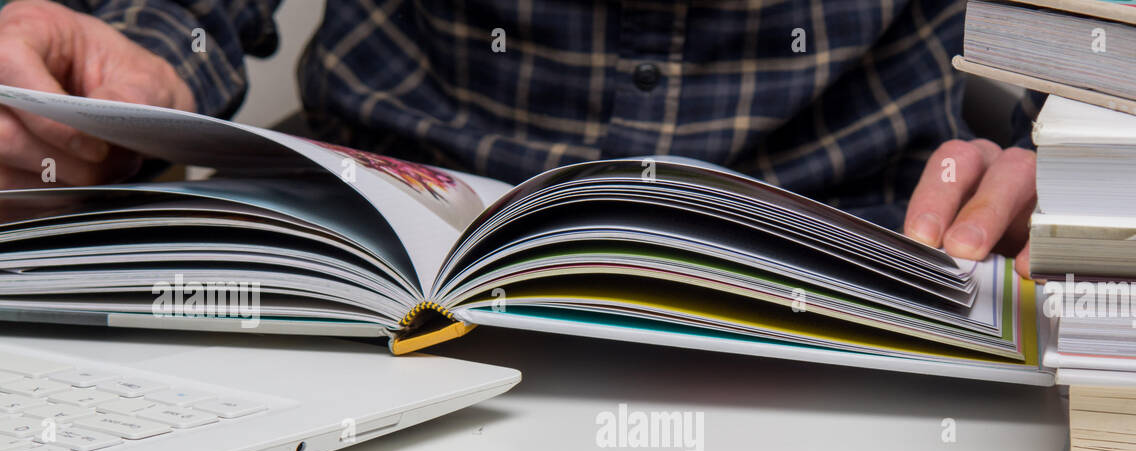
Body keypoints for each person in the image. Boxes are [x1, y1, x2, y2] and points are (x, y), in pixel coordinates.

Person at [0, 0, 1039, 273]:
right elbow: (174, 18)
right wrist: (115, 85)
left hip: (870, 261)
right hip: (371, 255)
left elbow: (1130, 45)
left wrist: (1103, 155)